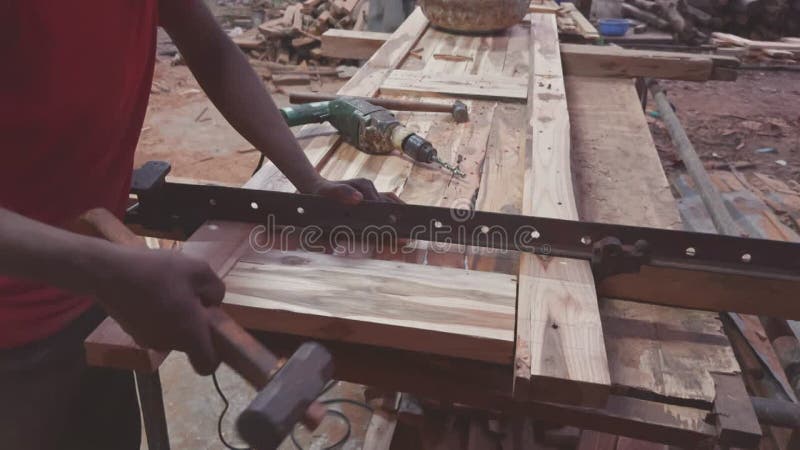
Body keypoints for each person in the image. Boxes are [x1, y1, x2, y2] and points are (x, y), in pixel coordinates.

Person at [0, 1, 394, 448]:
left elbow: (211, 50)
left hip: (89, 274)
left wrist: (309, 181)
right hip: (13, 326)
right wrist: (104, 268)